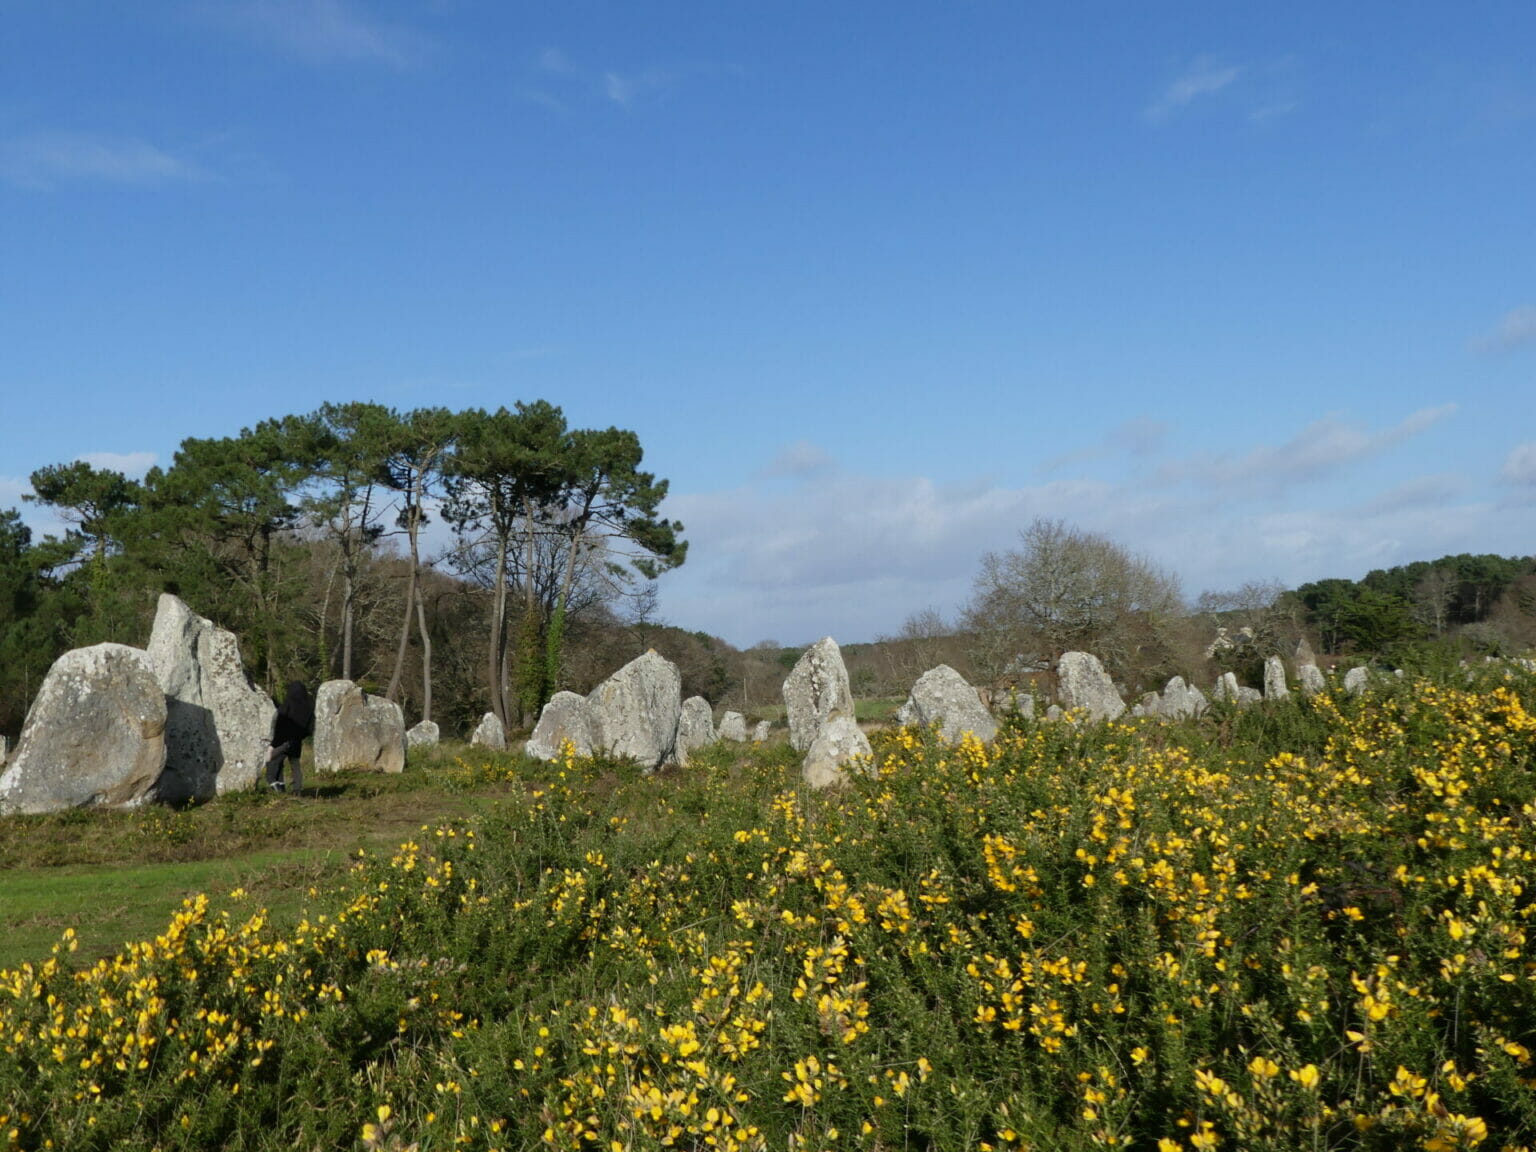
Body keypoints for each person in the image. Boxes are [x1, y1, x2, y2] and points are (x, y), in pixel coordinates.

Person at [264, 680, 314, 796]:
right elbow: (310, 728)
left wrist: (274, 744)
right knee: (295, 764)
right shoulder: (308, 708)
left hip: (284, 741)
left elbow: (280, 726)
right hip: (296, 741)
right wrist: (299, 736)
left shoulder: (287, 705)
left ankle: (276, 784)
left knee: (272, 760)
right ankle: (297, 789)